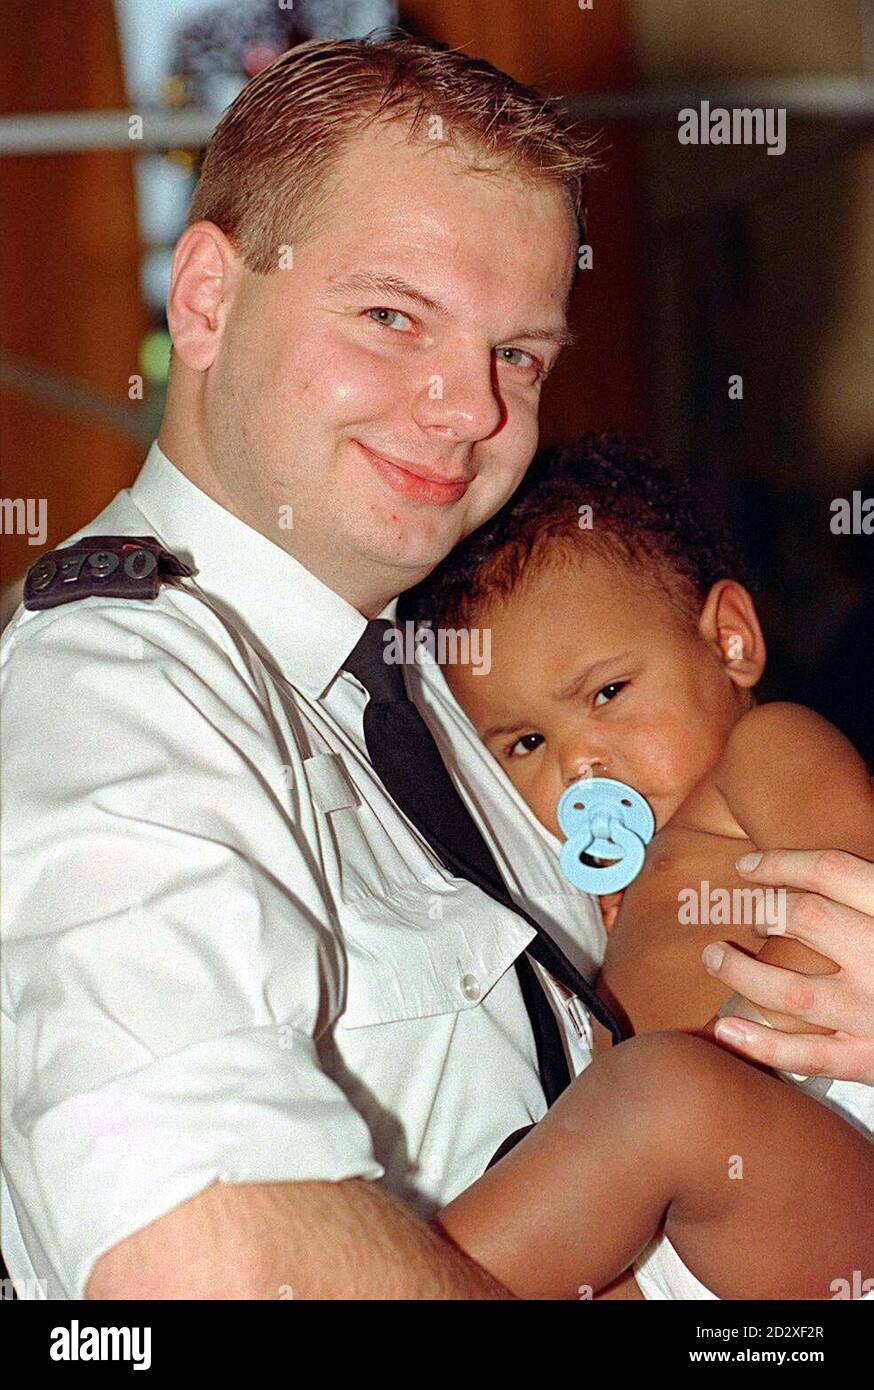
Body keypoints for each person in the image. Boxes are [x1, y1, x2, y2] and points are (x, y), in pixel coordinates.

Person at [1, 34, 872, 1303]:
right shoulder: (116, 694)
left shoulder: (435, 689)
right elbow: (206, 1266)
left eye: (517, 353)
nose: (468, 406)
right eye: (391, 315)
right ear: (204, 300)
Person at [401, 434, 874, 1298]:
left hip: (823, 1157)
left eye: (609, 694)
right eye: (528, 743)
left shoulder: (769, 751)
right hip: (681, 1238)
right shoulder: (606, 891)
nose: (581, 764)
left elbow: (849, 887)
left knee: (662, 1091)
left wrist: (736, 1047)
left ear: (730, 642)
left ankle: (383, 1286)